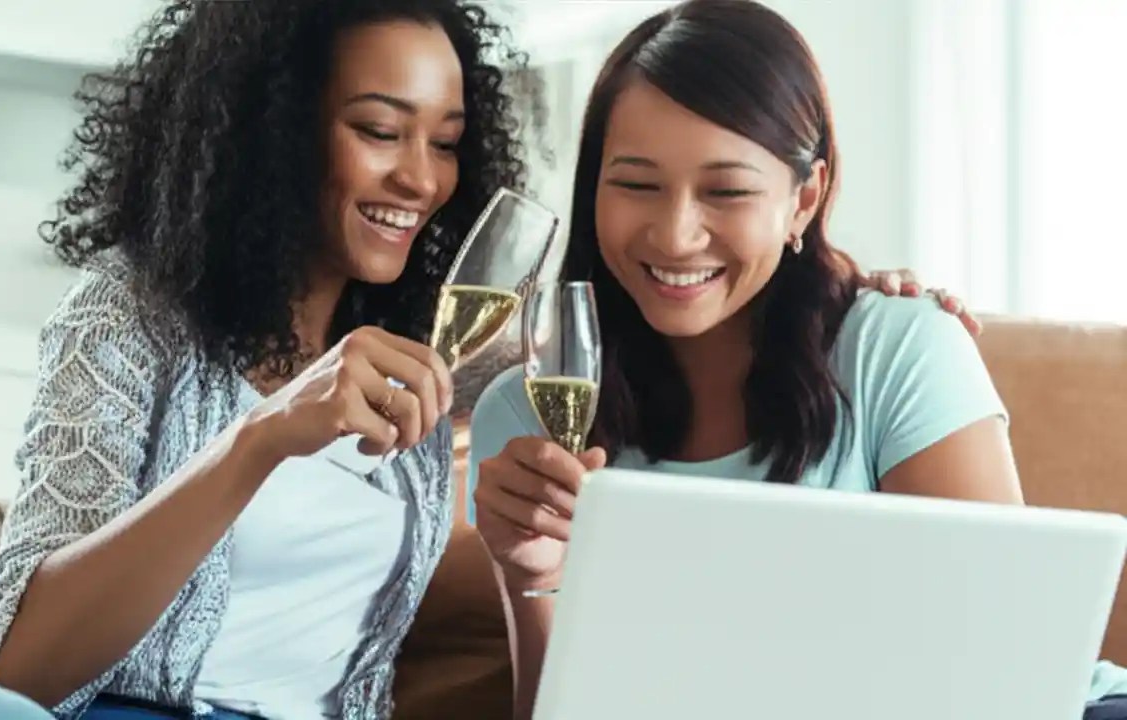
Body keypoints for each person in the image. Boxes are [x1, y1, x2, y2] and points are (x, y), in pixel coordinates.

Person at [0, 1, 972, 719]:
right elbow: (19, 670)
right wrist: (259, 438)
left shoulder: (466, 345)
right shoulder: (134, 318)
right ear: (276, 127)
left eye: (445, 142)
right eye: (378, 128)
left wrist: (857, 292)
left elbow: (669, 310)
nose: (419, 177)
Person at [465, 1, 1127, 719]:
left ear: (804, 198)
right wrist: (533, 578)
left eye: (726, 191)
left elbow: (1004, 668)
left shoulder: (897, 350)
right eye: (636, 183)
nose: (676, 233)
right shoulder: (526, 415)